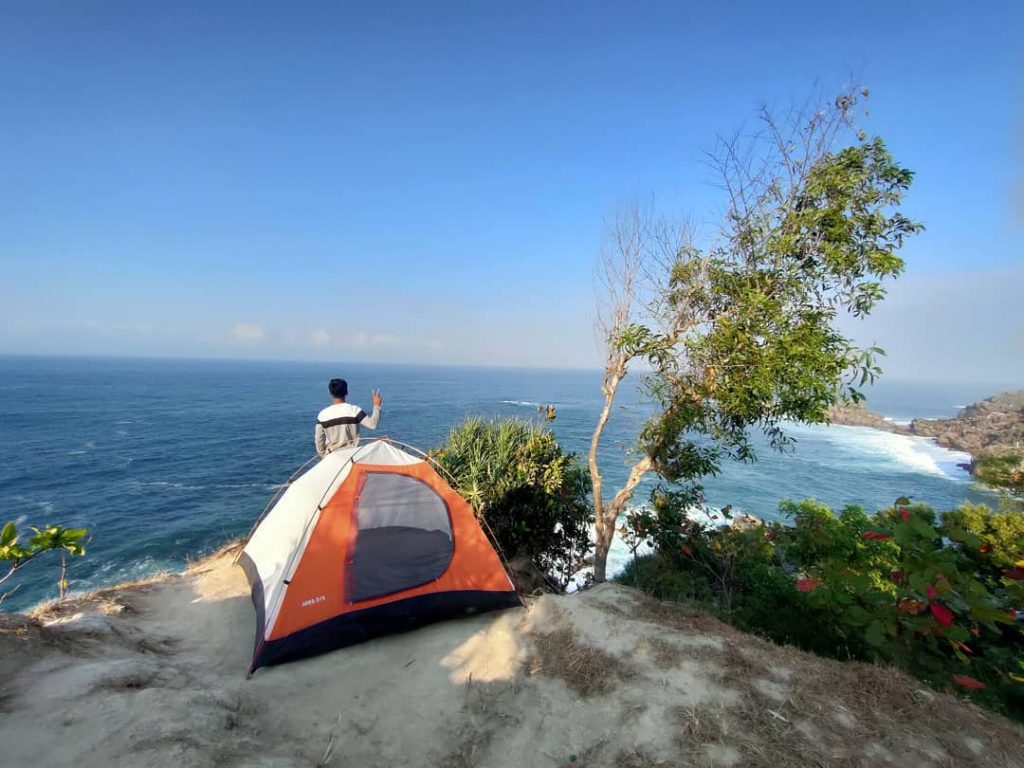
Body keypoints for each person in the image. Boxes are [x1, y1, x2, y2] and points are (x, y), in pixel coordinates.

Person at [314, 378, 383, 458]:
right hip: (352, 455)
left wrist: (324, 456)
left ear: (330, 393)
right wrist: (376, 406)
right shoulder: (354, 410)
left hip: (332, 456)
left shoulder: (322, 415)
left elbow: (319, 442)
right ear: (346, 392)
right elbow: (372, 425)